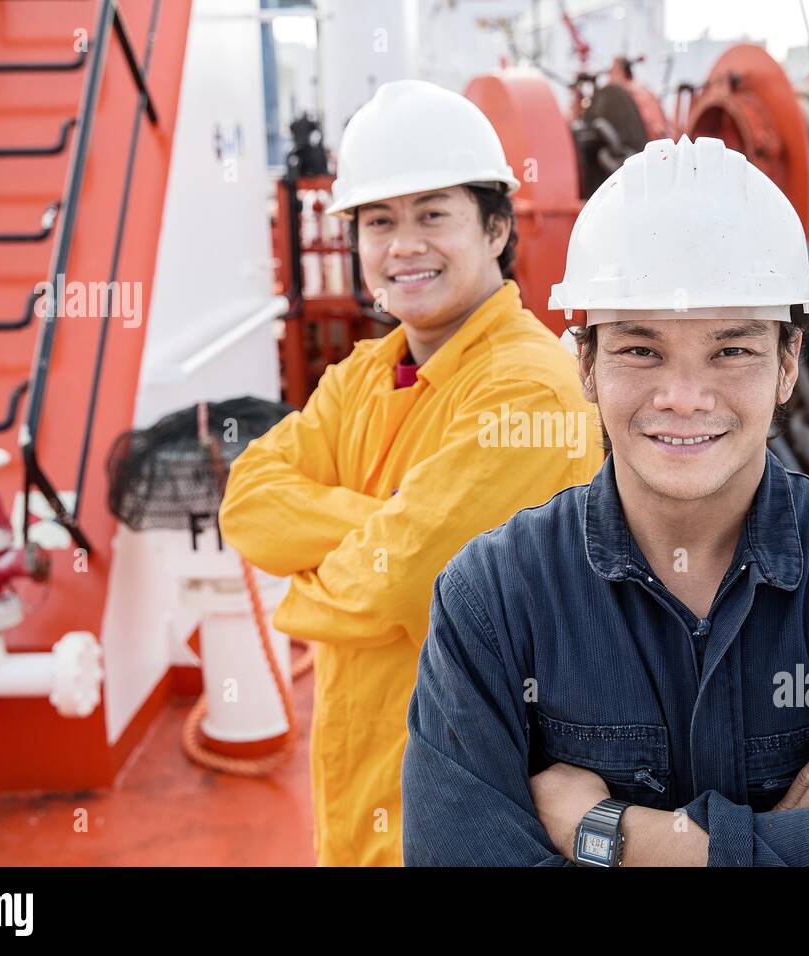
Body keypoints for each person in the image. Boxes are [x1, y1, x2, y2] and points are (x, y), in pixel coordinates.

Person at [402, 135, 809, 866]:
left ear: (787, 364)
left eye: (730, 350)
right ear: (585, 363)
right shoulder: (492, 603)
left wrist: (614, 833)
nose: (683, 399)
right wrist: (788, 840)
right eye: (641, 350)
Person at [219, 80, 602, 867]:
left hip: (466, 812)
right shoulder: (365, 372)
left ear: (496, 226)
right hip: (359, 802)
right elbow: (249, 504)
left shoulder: (529, 388)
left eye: (433, 214)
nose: (403, 246)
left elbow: (406, 582)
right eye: (379, 222)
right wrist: (387, 522)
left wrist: (325, 560)